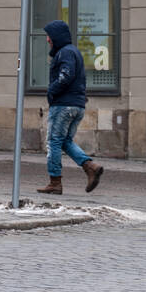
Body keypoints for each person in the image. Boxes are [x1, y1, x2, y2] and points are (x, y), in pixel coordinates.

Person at [38, 19, 103, 195]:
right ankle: (90, 166)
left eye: (49, 36)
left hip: (64, 105)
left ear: (56, 37)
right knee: (65, 141)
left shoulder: (65, 53)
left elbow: (66, 75)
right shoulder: (73, 52)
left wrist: (51, 92)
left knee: (53, 142)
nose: (47, 40)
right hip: (77, 105)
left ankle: (55, 182)